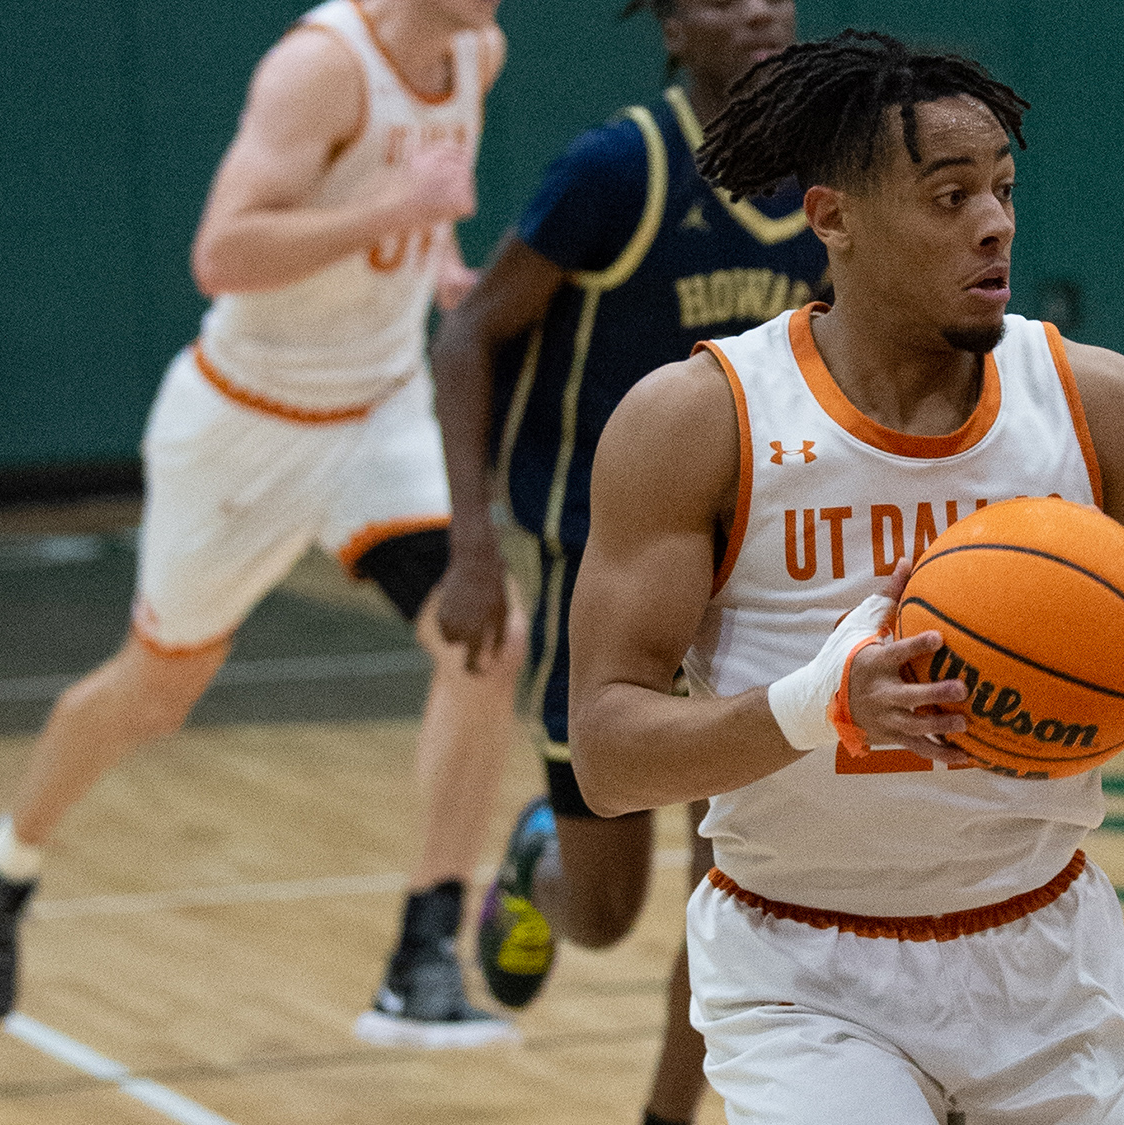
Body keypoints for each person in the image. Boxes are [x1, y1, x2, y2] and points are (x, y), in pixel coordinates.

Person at [565, 30, 1124, 1123]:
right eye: (948, 197)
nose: (994, 223)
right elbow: (605, 755)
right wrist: (817, 707)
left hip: (1041, 956)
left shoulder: (1095, 404)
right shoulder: (700, 422)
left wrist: (1064, 690)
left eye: (1003, 189)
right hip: (800, 971)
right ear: (831, 217)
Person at [0, 0, 526, 1051]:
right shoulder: (320, 67)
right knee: (158, 690)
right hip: (246, 426)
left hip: (380, 415)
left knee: (487, 640)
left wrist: (438, 265)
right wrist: (392, 209)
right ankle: (5, 858)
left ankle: (419, 957)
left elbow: (422, 207)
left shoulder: (475, 52)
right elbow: (224, 252)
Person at [430, 0, 819, 1117]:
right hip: (602, 580)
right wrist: (469, 540)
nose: (754, 7)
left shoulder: (827, 181)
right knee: (600, 917)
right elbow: (469, 336)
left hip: (755, 585)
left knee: (732, 888)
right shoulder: (618, 169)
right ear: (667, 29)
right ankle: (537, 859)